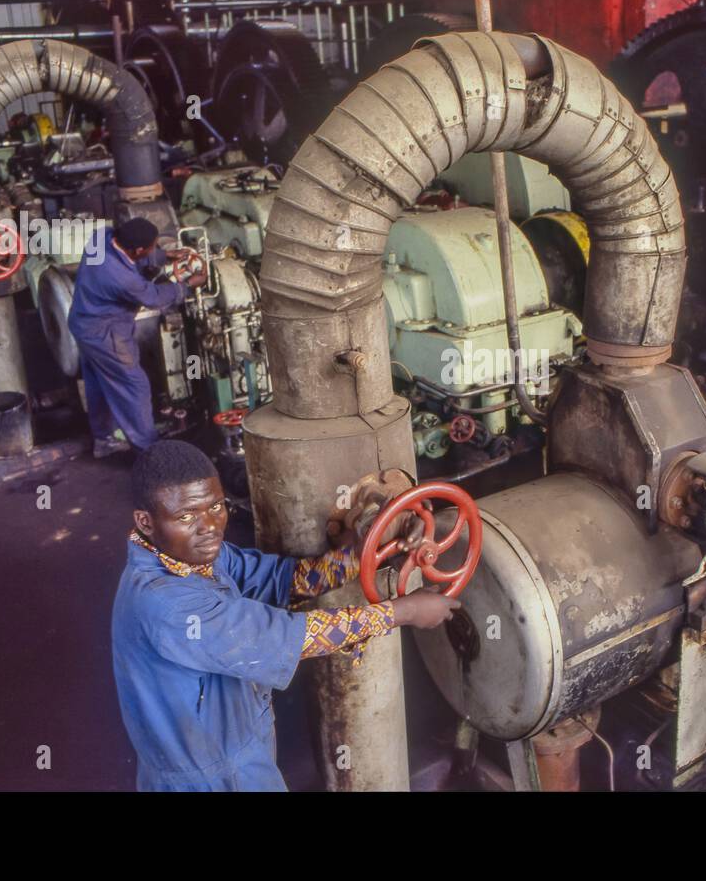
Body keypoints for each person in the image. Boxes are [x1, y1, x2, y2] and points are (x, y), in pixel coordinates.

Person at [111, 440, 459, 791]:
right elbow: (290, 636)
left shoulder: (195, 556)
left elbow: (290, 580)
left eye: (216, 506)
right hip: (211, 775)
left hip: (241, 741)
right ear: (145, 521)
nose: (210, 527)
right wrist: (403, 611)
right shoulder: (165, 604)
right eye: (186, 516)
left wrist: (371, 539)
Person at [68, 217, 205, 456]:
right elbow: (153, 297)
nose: (155, 249)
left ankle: (103, 440)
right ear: (138, 250)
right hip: (106, 333)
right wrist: (189, 286)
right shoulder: (122, 279)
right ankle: (149, 452)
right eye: (153, 247)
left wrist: (162, 257)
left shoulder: (103, 237)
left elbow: (132, 258)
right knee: (134, 386)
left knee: (100, 383)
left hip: (83, 322)